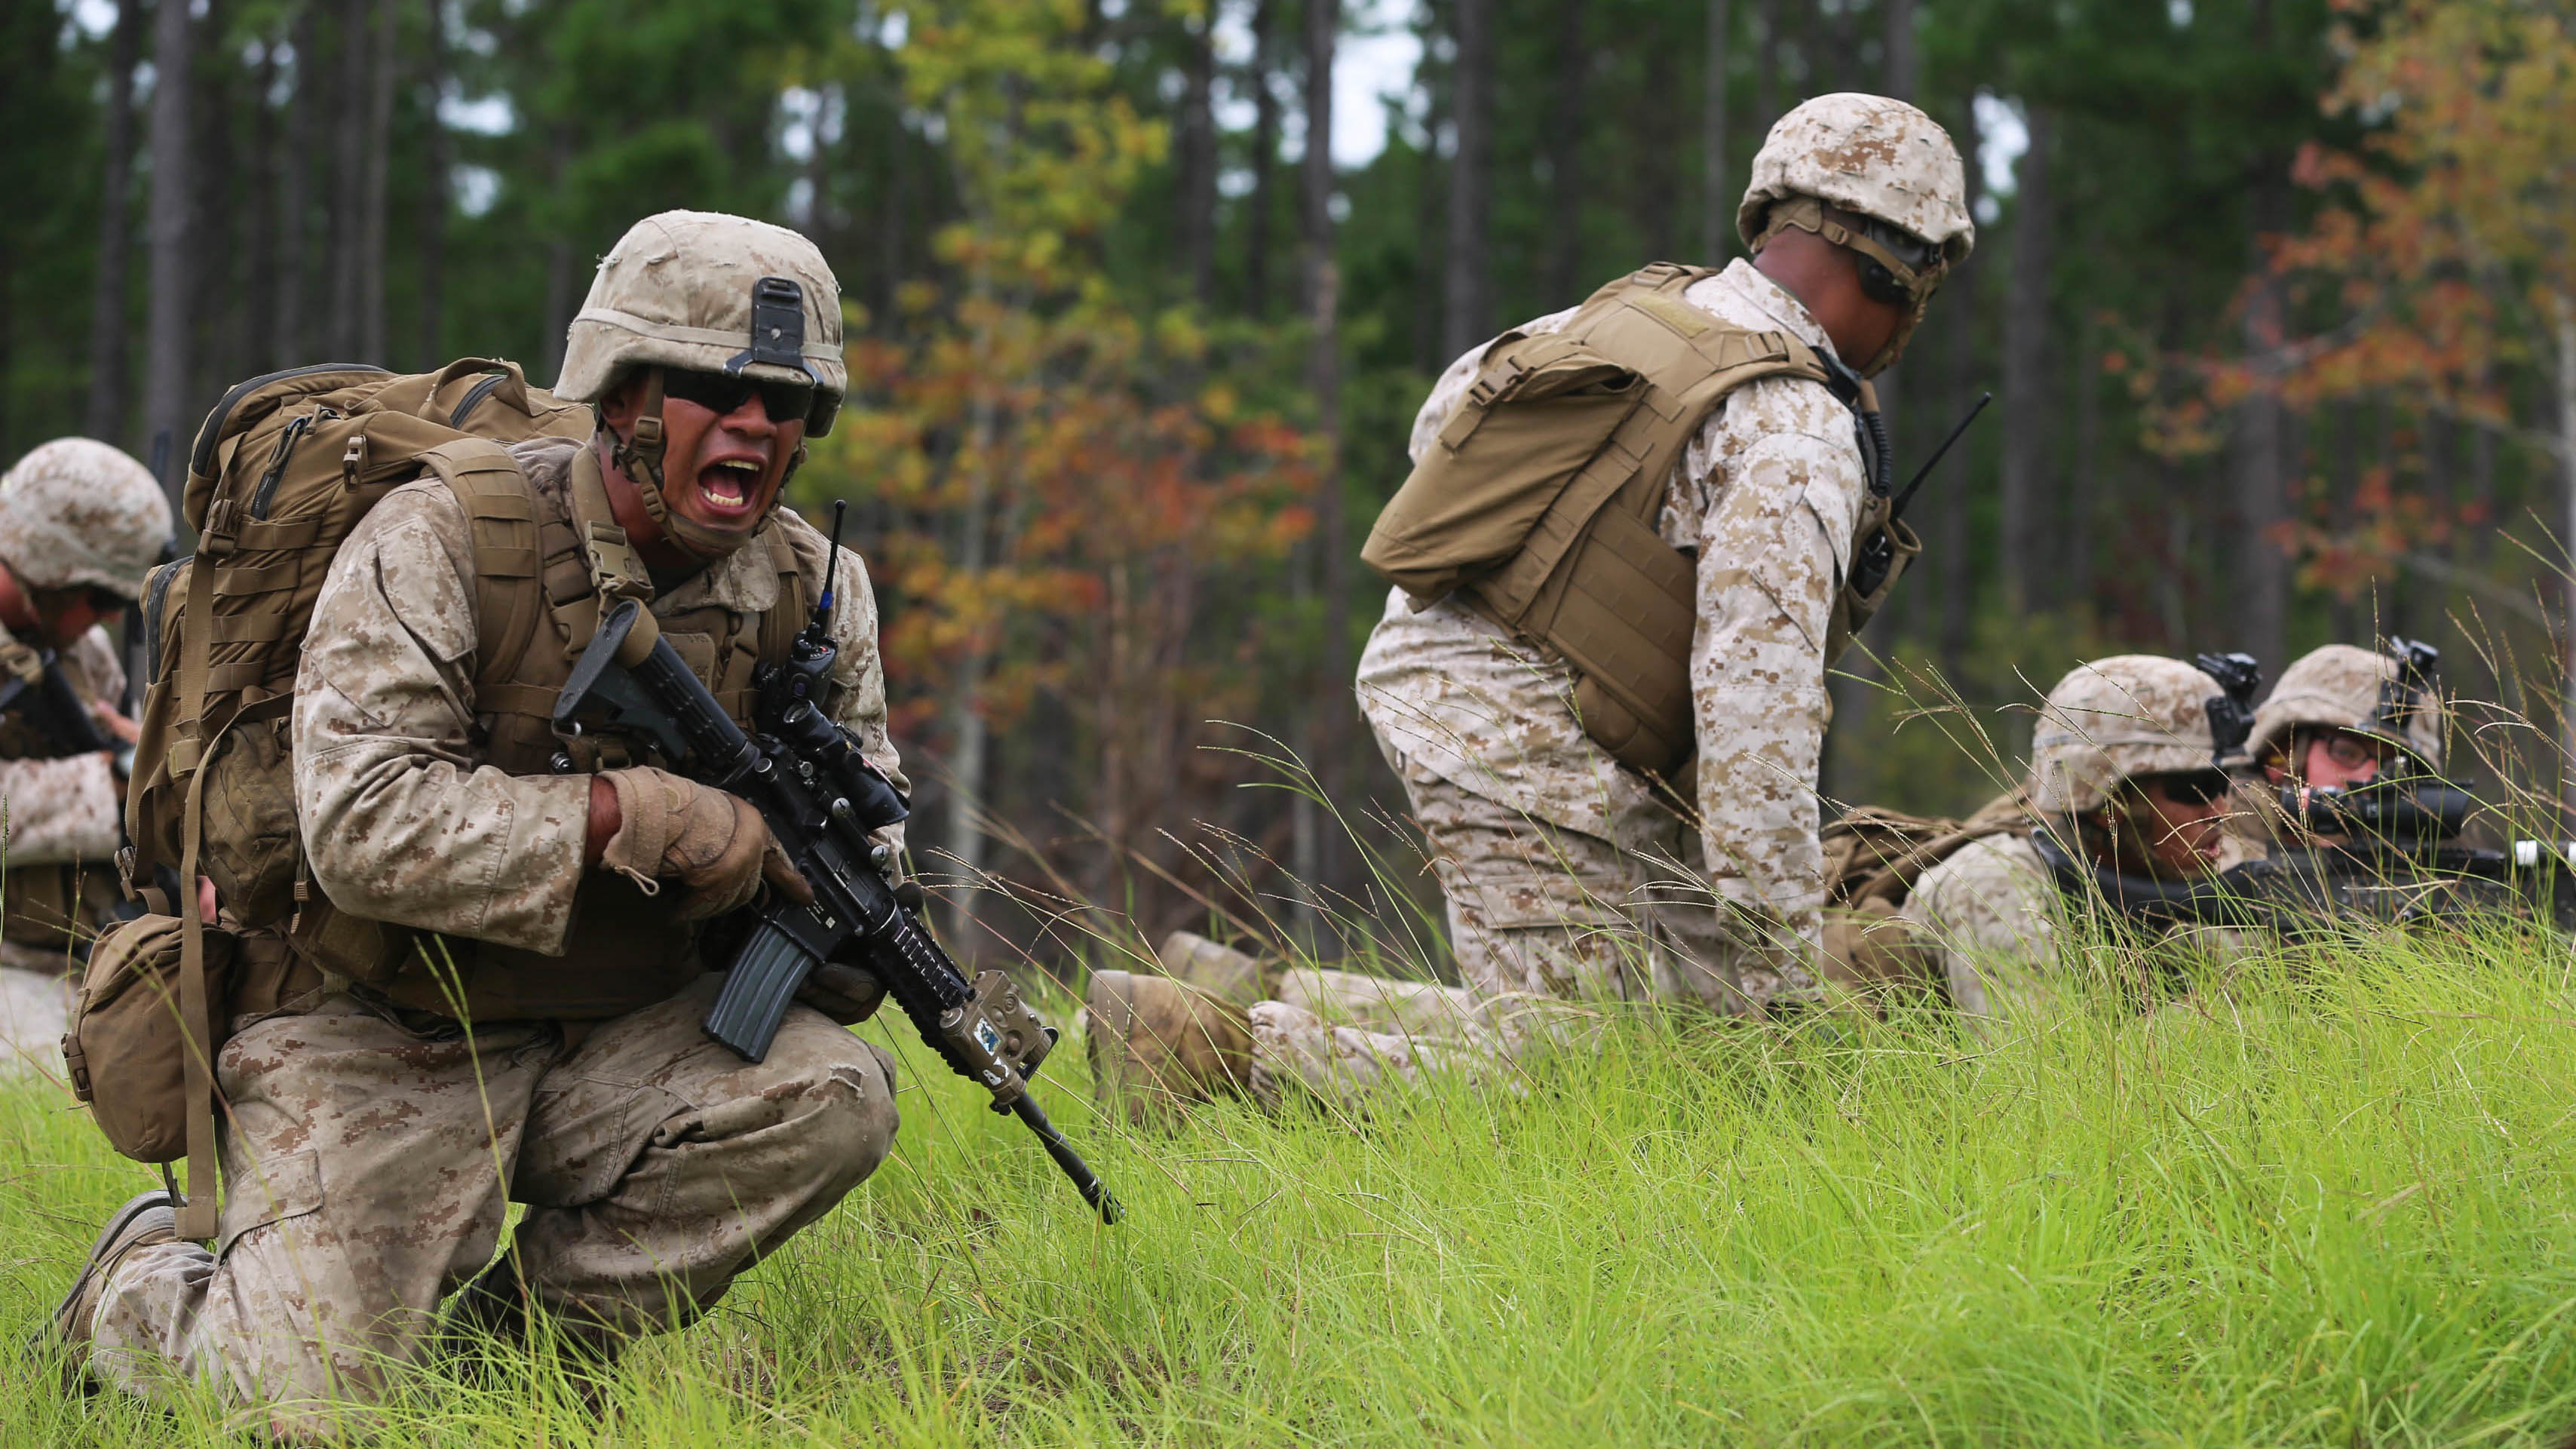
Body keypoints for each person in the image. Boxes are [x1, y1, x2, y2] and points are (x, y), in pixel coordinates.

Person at [45, 210, 906, 1430]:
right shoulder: (449, 536)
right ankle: (144, 1291)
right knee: (303, 1419)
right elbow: (358, 823)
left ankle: (507, 1367)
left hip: (616, 1030)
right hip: (383, 1025)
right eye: (715, 387)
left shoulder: (817, 592)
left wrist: (819, 887)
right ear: (621, 397)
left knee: (835, 1096)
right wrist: (627, 816)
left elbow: (874, 824)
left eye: (788, 401)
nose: (756, 423)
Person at [1087, 93, 1975, 1107]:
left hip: (1472, 690)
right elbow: (1755, 714)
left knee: (1699, 1037)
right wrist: (1786, 973)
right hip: (1529, 745)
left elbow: (1438, 438)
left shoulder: (1620, 315)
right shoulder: (1795, 429)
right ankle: (1205, 1056)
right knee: (1589, 1077)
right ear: (1891, 267)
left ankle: (1251, 991)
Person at [1900, 655, 2237, 1027]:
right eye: (2194, 788)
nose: (2220, 808)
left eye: (2223, 783)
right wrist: (2223, 1014)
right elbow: (2029, 1074)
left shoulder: (2146, 886)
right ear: (2101, 799)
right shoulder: (1993, 885)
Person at [0, 440, 167, 1053]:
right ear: (50, 569)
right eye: (104, 599)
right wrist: (108, 786)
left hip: (83, 953)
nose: (112, 621)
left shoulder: (81, 651)